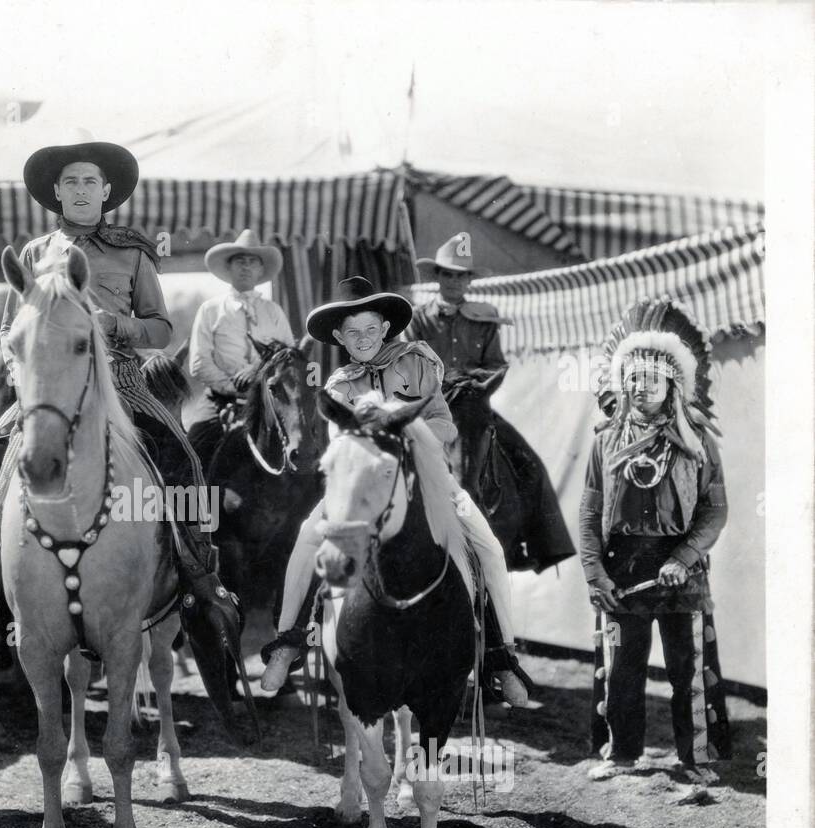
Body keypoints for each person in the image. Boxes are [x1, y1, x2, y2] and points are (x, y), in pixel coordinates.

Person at [0, 137, 243, 733]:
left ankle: (202, 578)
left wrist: (113, 324)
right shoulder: (33, 253)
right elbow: (5, 333)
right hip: (49, 386)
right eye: (69, 181)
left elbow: (160, 328)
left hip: (121, 380)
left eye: (89, 182)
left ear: (107, 193)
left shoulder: (133, 252)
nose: (79, 190)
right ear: (56, 193)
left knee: (181, 461)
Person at [258, 277, 531, 705]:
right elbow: (343, 444)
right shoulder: (338, 386)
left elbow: (445, 423)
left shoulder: (417, 361)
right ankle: (289, 639)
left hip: (427, 476)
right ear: (339, 338)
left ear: (385, 328)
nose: (362, 339)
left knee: (489, 548)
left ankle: (502, 657)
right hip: (365, 484)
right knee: (309, 536)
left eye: (370, 329)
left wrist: (406, 434)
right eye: (352, 333)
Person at [581, 298, 729, 784]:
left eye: (651, 378)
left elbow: (714, 509)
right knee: (622, 667)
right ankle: (622, 754)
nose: (640, 387)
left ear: (672, 383)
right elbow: (588, 510)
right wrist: (595, 572)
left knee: (687, 670)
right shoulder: (605, 441)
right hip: (622, 566)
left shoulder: (698, 441)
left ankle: (695, 760)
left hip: (679, 568)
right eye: (633, 377)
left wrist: (685, 558)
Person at [409, 232, 574, 572]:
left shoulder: (486, 318)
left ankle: (534, 546)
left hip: (473, 406)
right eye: (448, 274)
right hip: (431, 410)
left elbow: (496, 363)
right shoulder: (417, 319)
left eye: (461, 275)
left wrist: (477, 382)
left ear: (469, 280)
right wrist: (440, 385)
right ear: (437, 276)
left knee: (528, 462)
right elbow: (410, 367)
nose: (454, 281)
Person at [186, 228, 296, 473]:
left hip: (268, 401)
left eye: (252, 262)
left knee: (301, 443)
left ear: (260, 270)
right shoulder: (211, 309)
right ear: (229, 268)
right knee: (194, 444)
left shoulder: (273, 311)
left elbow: (288, 356)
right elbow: (199, 361)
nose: (246, 267)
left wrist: (256, 371)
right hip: (220, 400)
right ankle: (196, 506)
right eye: (239, 261)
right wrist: (233, 387)